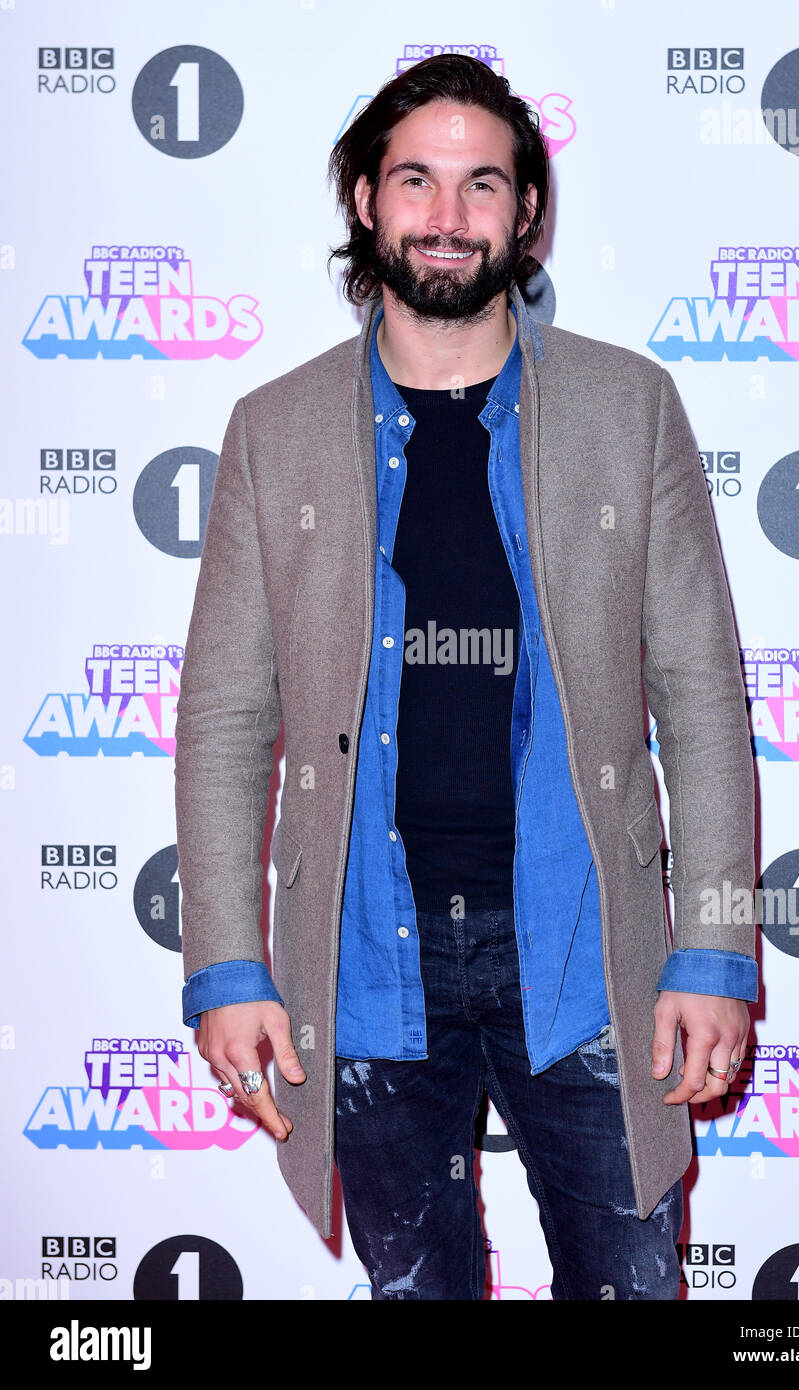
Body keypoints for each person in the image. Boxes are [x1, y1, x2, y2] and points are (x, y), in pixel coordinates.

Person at [174, 53, 758, 1301]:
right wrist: (227, 965)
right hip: (366, 955)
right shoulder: (271, 431)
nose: (447, 216)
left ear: (527, 211)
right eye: (417, 182)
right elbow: (226, 717)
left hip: (585, 953)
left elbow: (703, 698)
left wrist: (713, 946)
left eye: (481, 183)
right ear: (367, 204)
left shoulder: (628, 405)